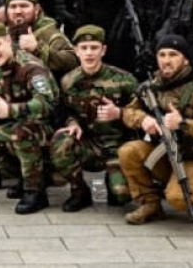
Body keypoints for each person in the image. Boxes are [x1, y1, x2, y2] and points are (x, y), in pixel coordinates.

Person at [118, 36, 193, 224]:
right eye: (162, 54)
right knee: (129, 152)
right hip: (166, 154)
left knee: (179, 198)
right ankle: (150, 204)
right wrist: (144, 120)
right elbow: (128, 111)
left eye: (173, 55)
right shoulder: (152, 86)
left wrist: (183, 124)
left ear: (186, 60)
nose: (166, 60)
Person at [0, 22, 58, 214]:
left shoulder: (31, 68)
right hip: (13, 127)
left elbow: (47, 105)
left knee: (20, 132)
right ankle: (24, 176)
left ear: (7, 40)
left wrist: (11, 110)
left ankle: (35, 191)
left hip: (46, 129)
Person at [50, 26, 137, 212]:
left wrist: (119, 113)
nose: (89, 53)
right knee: (60, 142)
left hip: (117, 147)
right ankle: (79, 192)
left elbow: (141, 115)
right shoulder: (68, 81)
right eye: (84, 48)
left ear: (103, 50)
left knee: (122, 196)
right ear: (76, 51)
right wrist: (71, 123)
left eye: (94, 47)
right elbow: (62, 111)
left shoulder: (125, 80)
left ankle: (114, 179)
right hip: (89, 145)